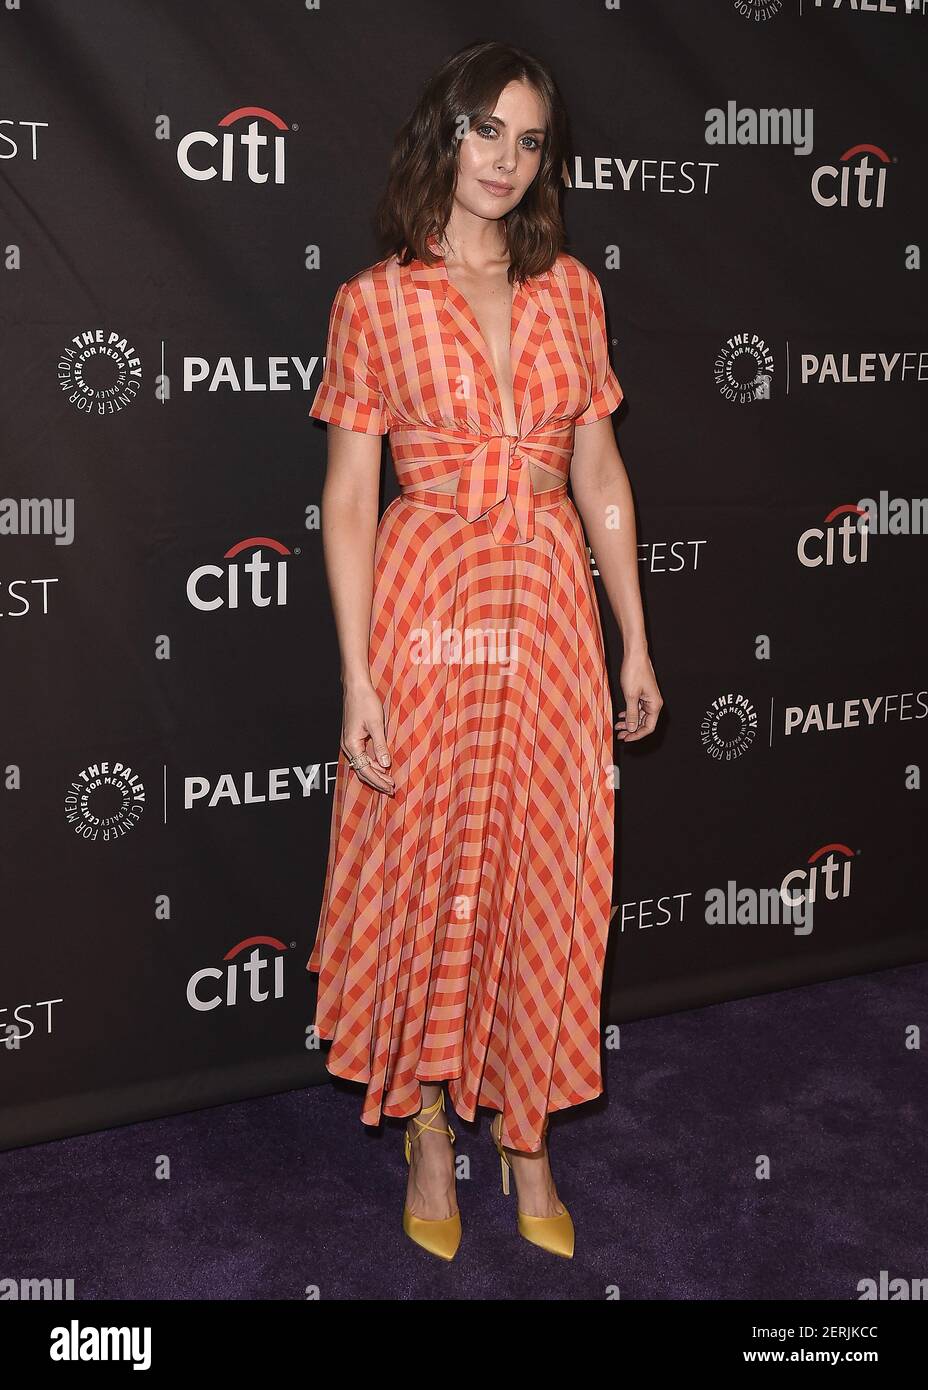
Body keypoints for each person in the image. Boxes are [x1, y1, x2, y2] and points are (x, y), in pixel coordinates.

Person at [307, 39, 662, 1262]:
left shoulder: (571, 289)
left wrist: (634, 641)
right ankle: (420, 1122)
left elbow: (600, 472)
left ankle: (524, 1128)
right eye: (487, 131)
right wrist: (359, 675)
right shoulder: (374, 300)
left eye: (529, 140)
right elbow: (350, 500)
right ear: (442, 134)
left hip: (550, 614)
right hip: (426, 612)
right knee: (422, 860)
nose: (507, 160)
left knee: (545, 866)